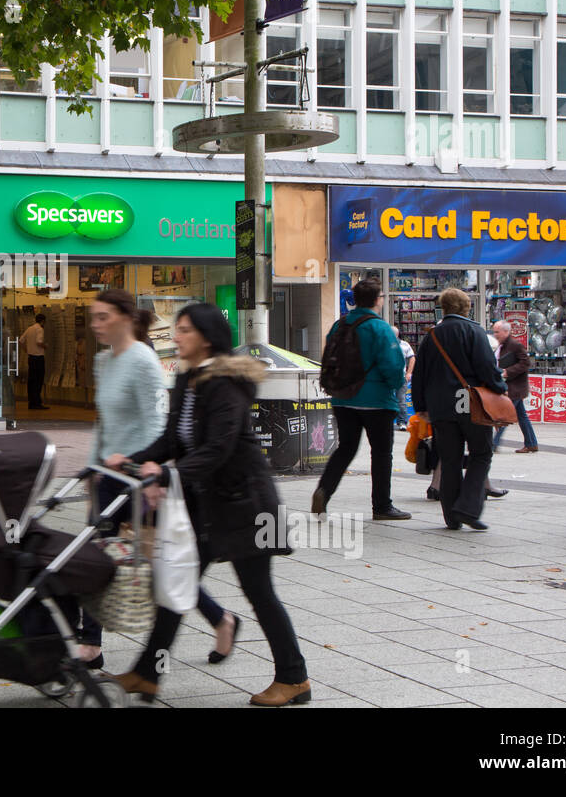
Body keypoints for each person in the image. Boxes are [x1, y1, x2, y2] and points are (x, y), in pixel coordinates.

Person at [106, 303, 308, 707]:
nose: (176, 337)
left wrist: (164, 475)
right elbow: (172, 441)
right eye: (176, 330)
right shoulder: (189, 379)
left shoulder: (225, 382)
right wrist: (128, 459)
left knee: (259, 592)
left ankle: (294, 679)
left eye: (184, 331)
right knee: (174, 585)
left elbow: (219, 446)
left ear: (208, 338)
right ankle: (147, 673)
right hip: (208, 505)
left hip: (246, 504)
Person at [77, 291, 239, 672]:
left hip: (140, 479)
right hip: (108, 474)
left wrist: (153, 475)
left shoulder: (144, 360)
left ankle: (220, 619)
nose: (96, 325)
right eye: (93, 317)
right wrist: (91, 469)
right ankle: (90, 643)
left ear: (124, 318)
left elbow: (157, 424)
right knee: (91, 557)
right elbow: (104, 424)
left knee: (162, 564)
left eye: (103, 317)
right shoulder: (103, 361)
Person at [312, 279, 411, 520]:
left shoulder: (339, 325)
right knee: (381, 453)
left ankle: (324, 489)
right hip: (377, 401)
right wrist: (398, 386)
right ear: (378, 299)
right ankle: (382, 506)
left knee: (345, 448)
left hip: (343, 398)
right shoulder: (380, 328)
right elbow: (393, 365)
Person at [411, 288, 507, 531]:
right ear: (467, 307)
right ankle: (468, 507)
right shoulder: (475, 331)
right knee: (481, 453)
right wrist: (499, 387)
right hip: (471, 402)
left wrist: (420, 406)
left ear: (443, 308)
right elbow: (487, 368)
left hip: (441, 406)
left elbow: (420, 374)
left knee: (450, 458)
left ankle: (451, 516)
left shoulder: (431, 336)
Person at [491, 319, 537, 454]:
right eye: (494, 332)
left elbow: (525, 363)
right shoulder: (501, 345)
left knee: (504, 416)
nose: (495, 335)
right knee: (522, 416)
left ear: (506, 332)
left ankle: (494, 443)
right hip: (509, 386)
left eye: (497, 332)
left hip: (515, 388)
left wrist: (507, 372)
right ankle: (531, 443)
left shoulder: (515, 345)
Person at [21, 313, 48, 410]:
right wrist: (45, 346)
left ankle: (31, 402)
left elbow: (21, 341)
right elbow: (39, 342)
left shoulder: (29, 329)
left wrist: (26, 350)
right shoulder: (40, 329)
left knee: (31, 381)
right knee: (38, 380)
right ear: (43, 321)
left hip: (31, 358)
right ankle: (37, 403)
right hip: (39, 358)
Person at [392, 325, 415, 430]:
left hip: (400, 376)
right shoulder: (384, 344)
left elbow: (412, 358)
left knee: (401, 399)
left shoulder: (404, 345)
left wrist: (409, 373)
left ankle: (402, 422)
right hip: (386, 377)